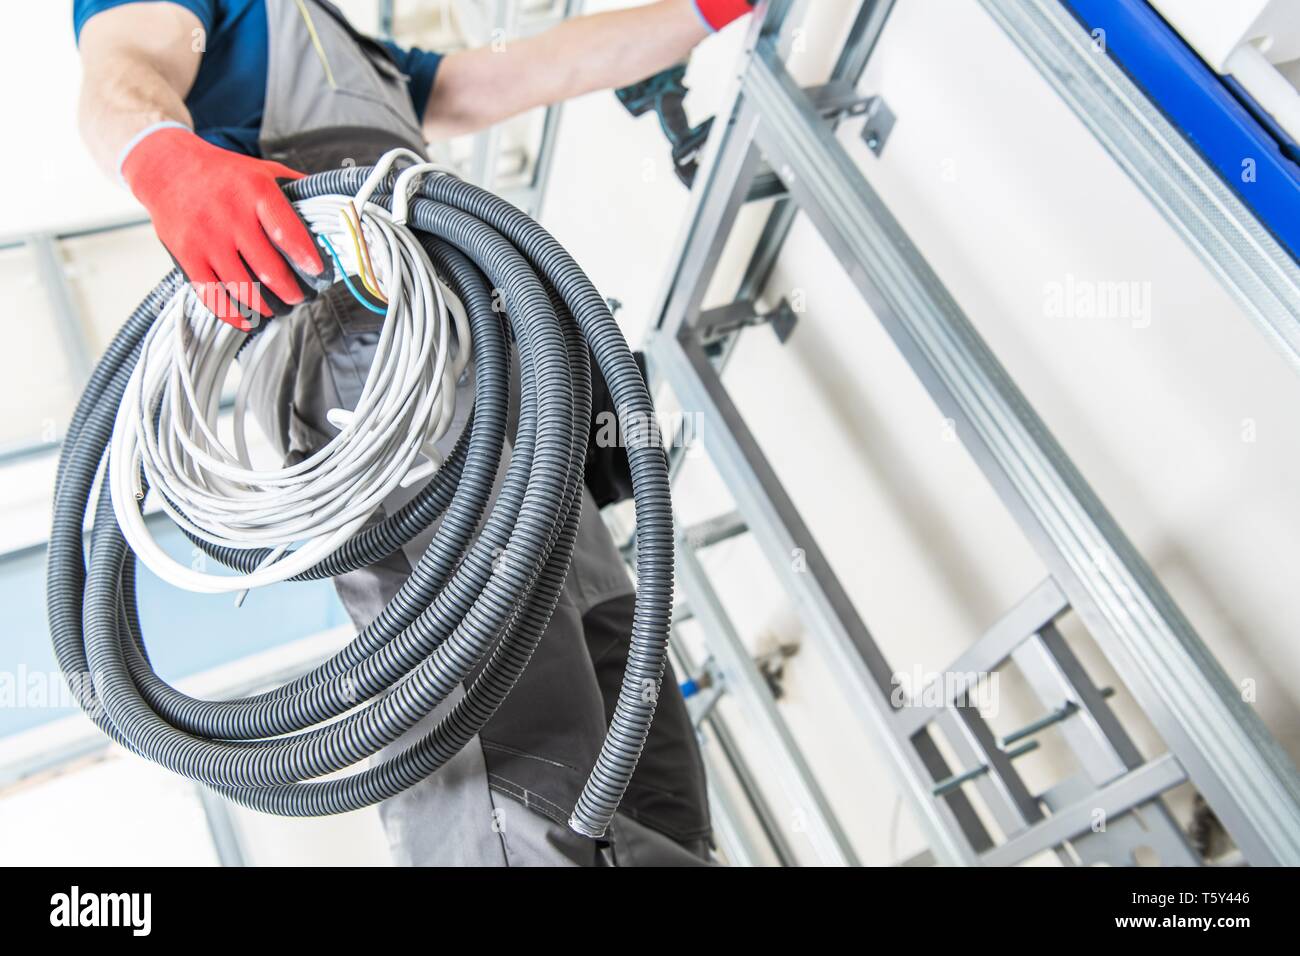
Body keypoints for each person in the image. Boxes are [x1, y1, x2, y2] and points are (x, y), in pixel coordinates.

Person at [73, 0, 756, 866]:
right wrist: (162, 158)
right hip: (364, 341)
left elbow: (533, 69)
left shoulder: (361, 49)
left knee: (622, 674)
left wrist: (712, 10)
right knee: (496, 693)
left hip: (484, 337)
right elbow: (120, 69)